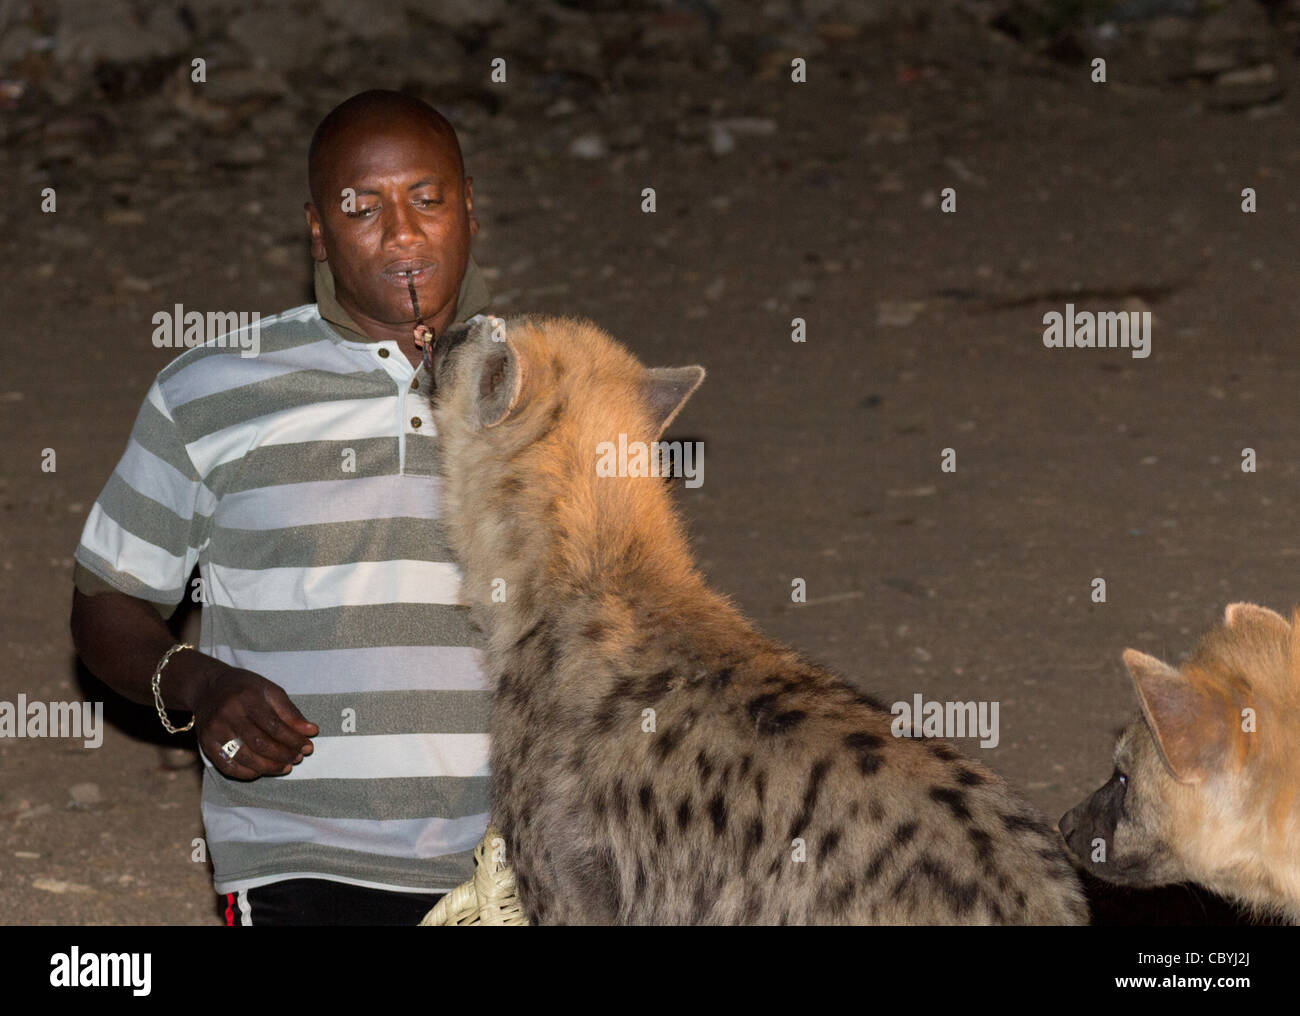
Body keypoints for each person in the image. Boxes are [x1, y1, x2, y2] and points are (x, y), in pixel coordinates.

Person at [69, 90, 492, 926]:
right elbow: (106, 605)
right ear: (316, 230)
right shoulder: (214, 393)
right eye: (362, 208)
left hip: (527, 852)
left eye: (428, 199)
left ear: (469, 208)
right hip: (302, 852)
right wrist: (199, 681)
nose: (403, 232)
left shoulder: (550, 389)